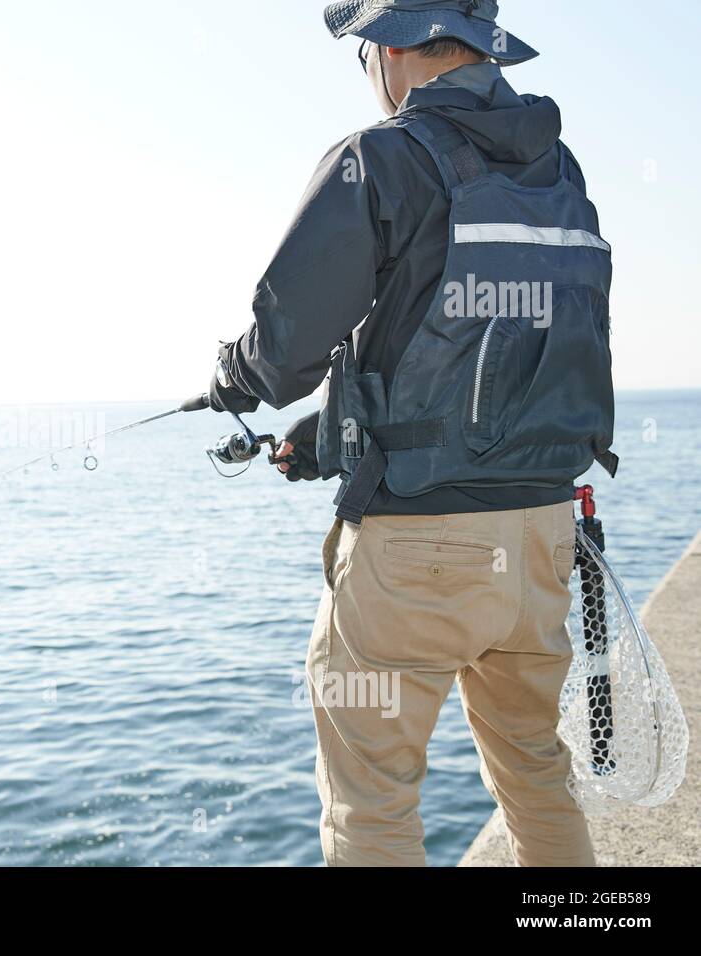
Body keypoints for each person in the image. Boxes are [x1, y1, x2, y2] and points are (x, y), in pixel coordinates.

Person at [207, 0, 617, 866]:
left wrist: (229, 378)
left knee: (373, 803)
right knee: (537, 771)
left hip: (418, 553)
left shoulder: (381, 158)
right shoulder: (559, 168)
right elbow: (499, 356)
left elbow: (284, 349)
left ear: (392, 49)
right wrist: (334, 433)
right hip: (542, 541)